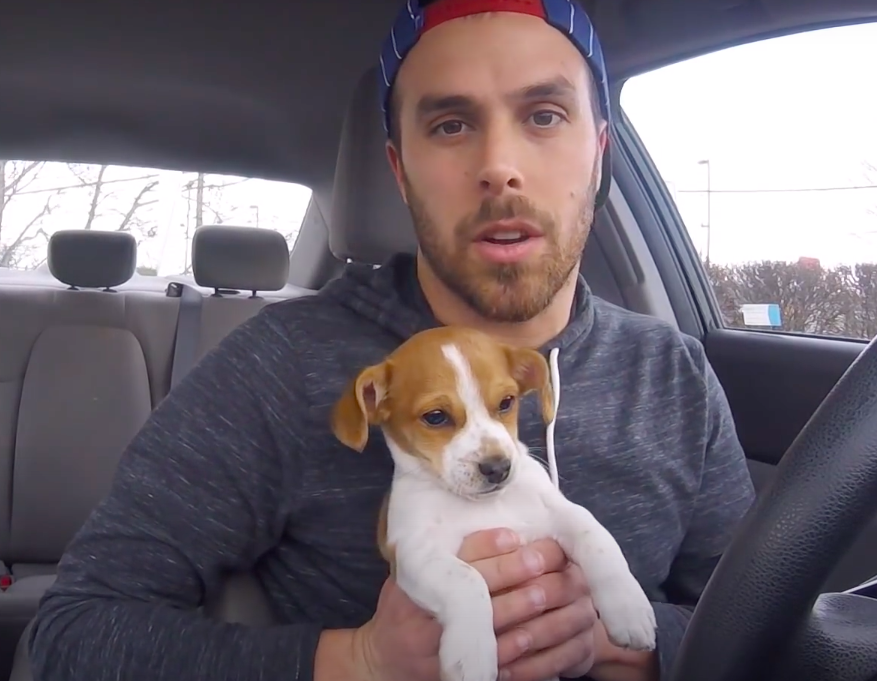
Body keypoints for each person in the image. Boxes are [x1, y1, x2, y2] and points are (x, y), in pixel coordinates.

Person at [28, 1, 755, 680]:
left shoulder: (673, 374)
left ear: (597, 152)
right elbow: (72, 633)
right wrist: (362, 658)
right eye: (449, 125)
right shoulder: (280, 367)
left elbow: (766, 617)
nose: (498, 166)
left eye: (543, 114)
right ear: (399, 171)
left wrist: (616, 640)